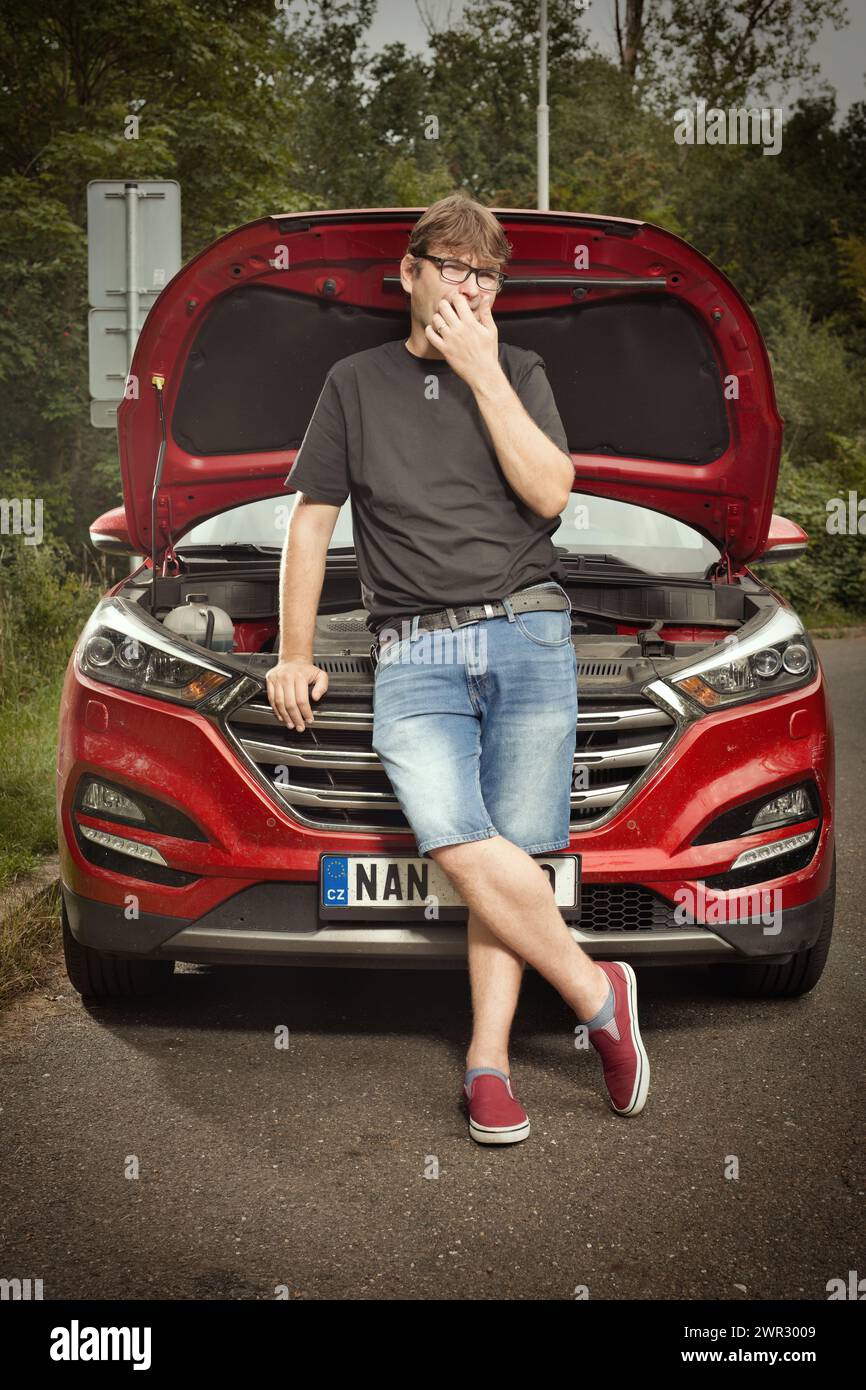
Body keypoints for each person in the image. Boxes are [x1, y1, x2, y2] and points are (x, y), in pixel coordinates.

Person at [267, 193, 649, 1144]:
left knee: (509, 855)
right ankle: (599, 994)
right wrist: (294, 652)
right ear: (410, 271)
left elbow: (551, 492)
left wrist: (483, 372)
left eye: (488, 276)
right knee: (455, 836)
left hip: (529, 631)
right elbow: (311, 522)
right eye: (454, 267)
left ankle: (488, 1064)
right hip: (415, 646)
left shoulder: (520, 371)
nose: (472, 288)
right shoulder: (354, 383)